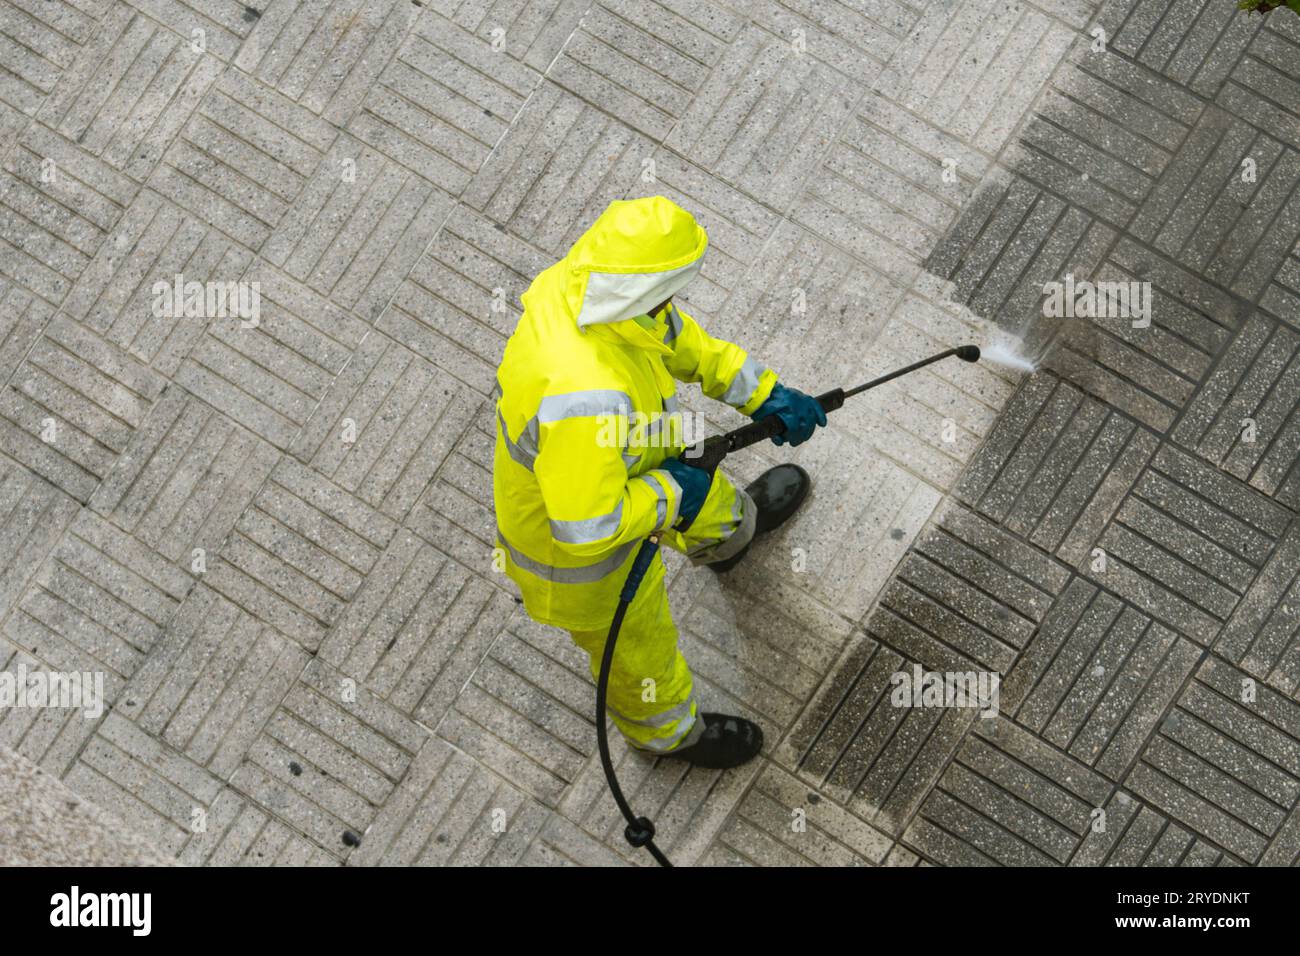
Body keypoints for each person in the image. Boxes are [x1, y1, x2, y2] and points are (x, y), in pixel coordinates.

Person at [492, 196, 826, 768]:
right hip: (588, 565)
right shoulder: (583, 397)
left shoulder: (594, 292)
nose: (672, 303)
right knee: (637, 651)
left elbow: (673, 337)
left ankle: (727, 541)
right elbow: (588, 525)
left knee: (710, 498)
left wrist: (758, 390)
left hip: (635, 456)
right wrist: (673, 494)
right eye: (668, 290)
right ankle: (667, 734)